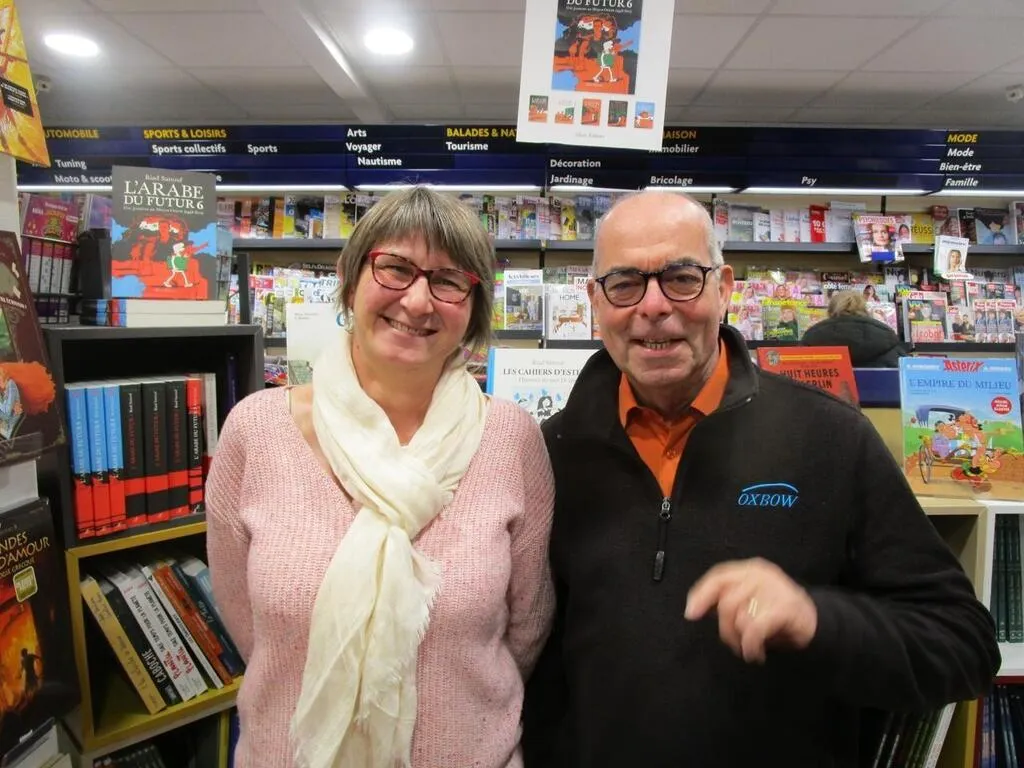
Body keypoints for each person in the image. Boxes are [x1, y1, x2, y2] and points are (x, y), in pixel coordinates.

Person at [521, 190, 1000, 768]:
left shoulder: (830, 438)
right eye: (624, 283)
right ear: (595, 301)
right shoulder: (550, 452)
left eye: (680, 277)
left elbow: (962, 644)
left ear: (724, 287)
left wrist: (816, 620)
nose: (652, 306)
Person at [206, 186, 555, 768]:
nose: (418, 302)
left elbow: (527, 626)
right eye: (394, 268)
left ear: (474, 308)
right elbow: (246, 621)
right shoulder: (256, 432)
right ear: (349, 280)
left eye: (448, 281)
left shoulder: (512, 439)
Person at [799, 289, 909, 367]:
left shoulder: (813, 337)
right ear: (865, 310)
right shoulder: (887, 337)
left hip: (826, 399)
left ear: (829, 312)